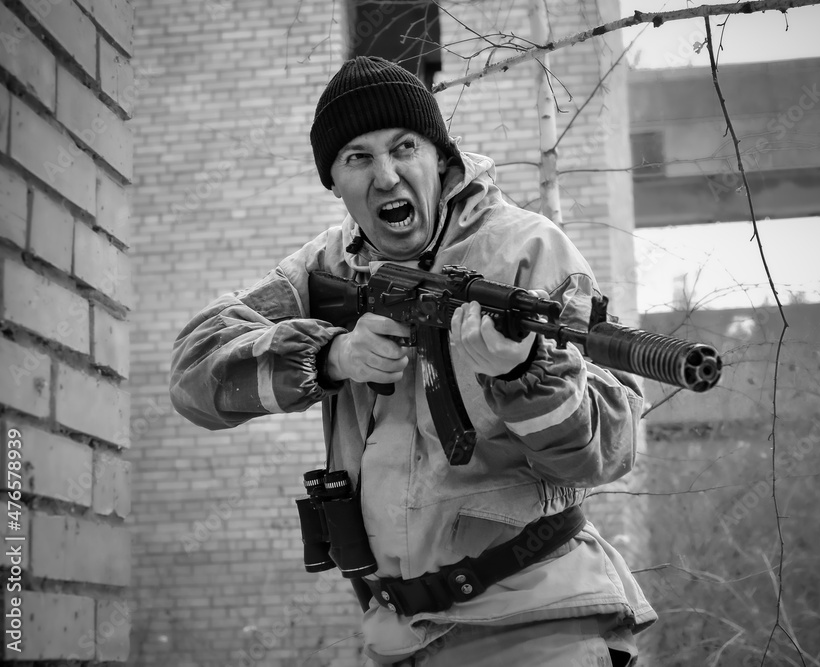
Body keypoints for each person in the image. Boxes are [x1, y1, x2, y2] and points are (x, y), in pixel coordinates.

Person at [169, 56, 656, 666]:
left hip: (536, 622)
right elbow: (193, 375)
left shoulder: (525, 250)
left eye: (405, 147)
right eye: (358, 158)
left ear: (439, 158)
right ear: (336, 182)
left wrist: (520, 378)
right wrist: (331, 355)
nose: (388, 175)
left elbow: (611, 449)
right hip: (397, 636)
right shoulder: (328, 268)